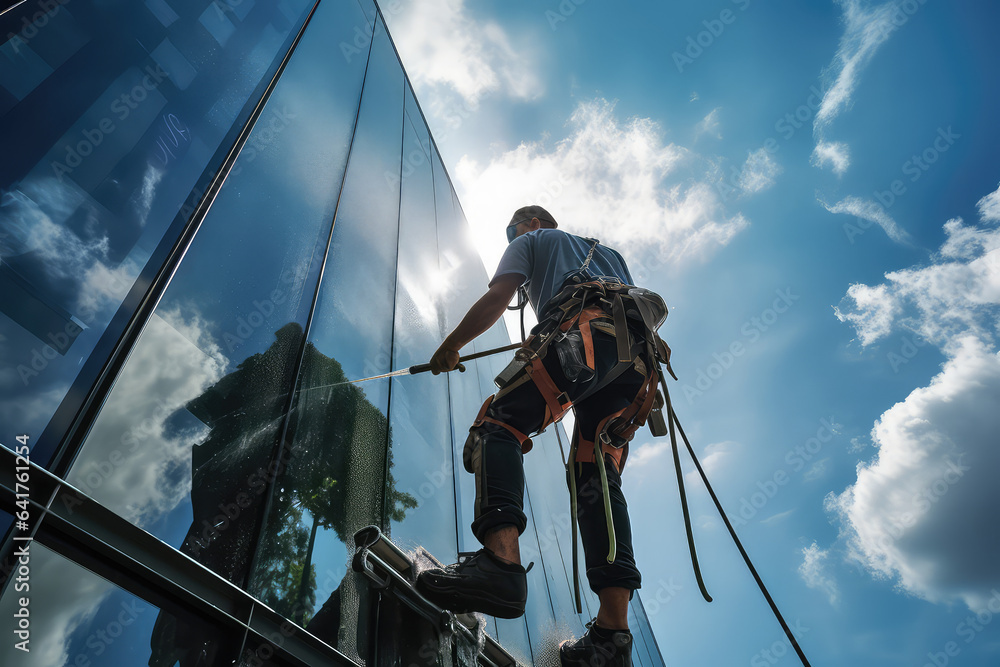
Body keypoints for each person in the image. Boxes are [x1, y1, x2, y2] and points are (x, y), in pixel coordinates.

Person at [417, 205, 667, 667]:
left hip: (582, 334)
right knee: (595, 473)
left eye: (512, 227)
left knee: (499, 424)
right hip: (636, 365)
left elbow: (497, 297)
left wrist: (451, 345)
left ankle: (500, 564)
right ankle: (613, 638)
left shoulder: (531, 241)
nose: (511, 234)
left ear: (531, 222)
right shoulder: (609, 253)